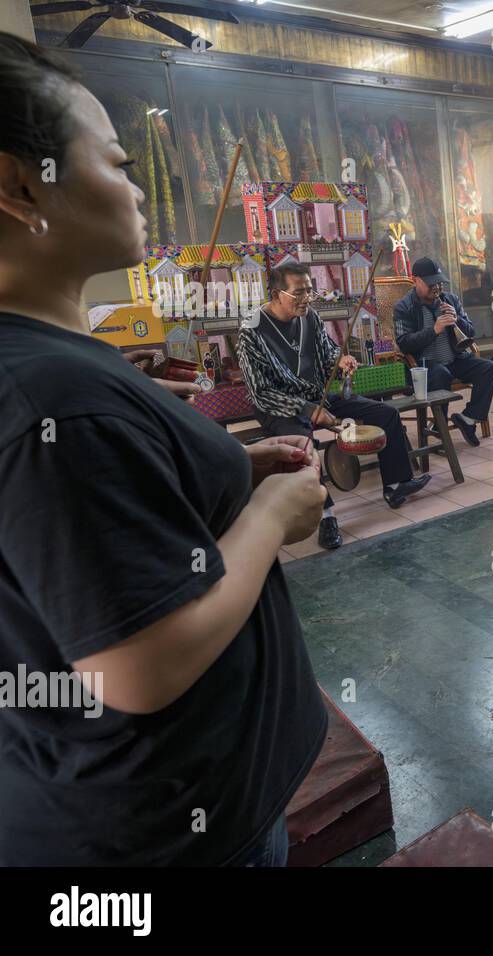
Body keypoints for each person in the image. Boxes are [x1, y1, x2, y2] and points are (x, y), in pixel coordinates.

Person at [0, 33, 327, 865]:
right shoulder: (53, 401)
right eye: (114, 162)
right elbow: (137, 666)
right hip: (172, 831)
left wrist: (222, 468)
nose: (138, 187)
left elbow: (86, 538)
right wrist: (269, 513)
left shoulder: (50, 361)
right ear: (16, 184)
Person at [237, 262, 432, 549]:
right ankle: (326, 516)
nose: (307, 298)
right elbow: (260, 392)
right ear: (277, 293)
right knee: (303, 446)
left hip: (319, 393)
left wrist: (339, 360)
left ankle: (396, 484)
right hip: (279, 406)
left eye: (310, 290)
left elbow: (326, 351)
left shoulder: (310, 317)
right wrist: (306, 410)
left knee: (386, 414)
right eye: (299, 292)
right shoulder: (251, 331)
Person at [392, 256, 493, 447]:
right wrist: (433, 331)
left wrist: (458, 320)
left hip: (455, 358)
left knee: (489, 368)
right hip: (424, 365)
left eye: (438, 283)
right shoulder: (404, 307)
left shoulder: (451, 300)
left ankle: (468, 419)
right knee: (442, 374)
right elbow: (404, 343)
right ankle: (440, 426)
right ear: (416, 280)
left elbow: (471, 332)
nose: (436, 288)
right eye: (431, 283)